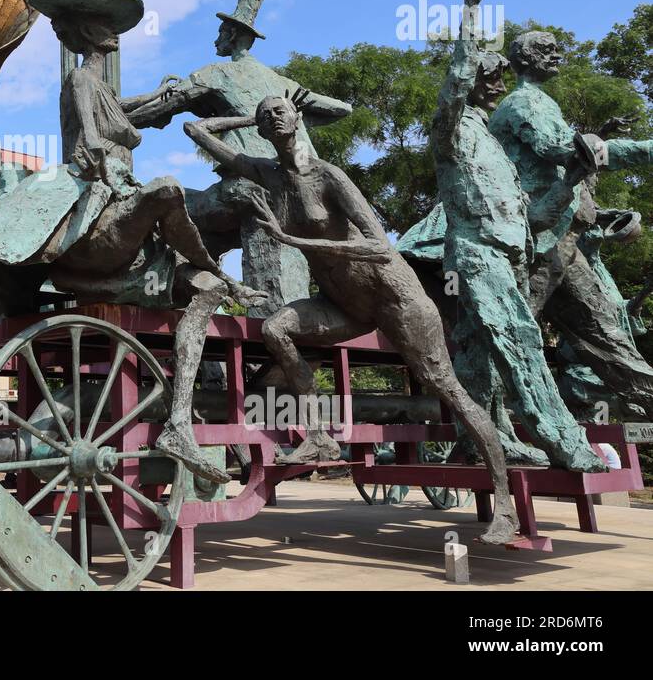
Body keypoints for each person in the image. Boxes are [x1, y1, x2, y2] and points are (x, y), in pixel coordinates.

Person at [185, 91, 522, 544]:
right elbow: (196, 130)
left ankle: (506, 504)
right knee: (276, 329)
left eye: (280, 111)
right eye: (266, 118)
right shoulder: (265, 171)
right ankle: (320, 435)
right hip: (342, 304)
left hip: (392, 296)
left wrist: (293, 239)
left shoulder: (328, 177)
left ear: (298, 117)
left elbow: (380, 247)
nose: (273, 118)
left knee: (449, 389)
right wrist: (251, 114)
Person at [0, 0, 263, 482]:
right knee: (167, 191)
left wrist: (162, 97)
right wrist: (101, 146)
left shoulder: (97, 84)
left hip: (116, 193)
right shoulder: (80, 77)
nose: (115, 32)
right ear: (85, 32)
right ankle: (207, 266)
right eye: (105, 24)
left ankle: (181, 416)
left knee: (199, 279)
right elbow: (94, 134)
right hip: (100, 190)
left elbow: (122, 113)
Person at [409, 0, 604, 471]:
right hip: (476, 255)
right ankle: (563, 439)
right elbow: (454, 80)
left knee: (477, 359)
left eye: (498, 74)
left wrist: (576, 178)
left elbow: (534, 217)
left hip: (510, 255)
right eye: (487, 74)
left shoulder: (494, 145)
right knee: (520, 336)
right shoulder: (450, 131)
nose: (497, 82)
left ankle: (480, 437)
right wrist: (472, 10)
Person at [123, 0, 351, 314]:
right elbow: (342, 109)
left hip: (249, 189)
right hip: (297, 193)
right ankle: (195, 296)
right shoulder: (281, 82)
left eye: (220, 32)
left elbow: (161, 109)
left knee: (158, 204)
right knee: (204, 242)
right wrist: (298, 106)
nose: (216, 39)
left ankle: (161, 293)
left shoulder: (216, 74)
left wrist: (121, 115)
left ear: (232, 35)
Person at [489, 31, 653, 418]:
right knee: (516, 332)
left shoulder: (542, 102)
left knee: (606, 333)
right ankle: (492, 416)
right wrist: (604, 149)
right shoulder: (522, 102)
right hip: (532, 241)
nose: (557, 55)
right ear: (524, 60)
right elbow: (561, 149)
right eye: (547, 51)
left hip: (563, 239)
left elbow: (584, 150)